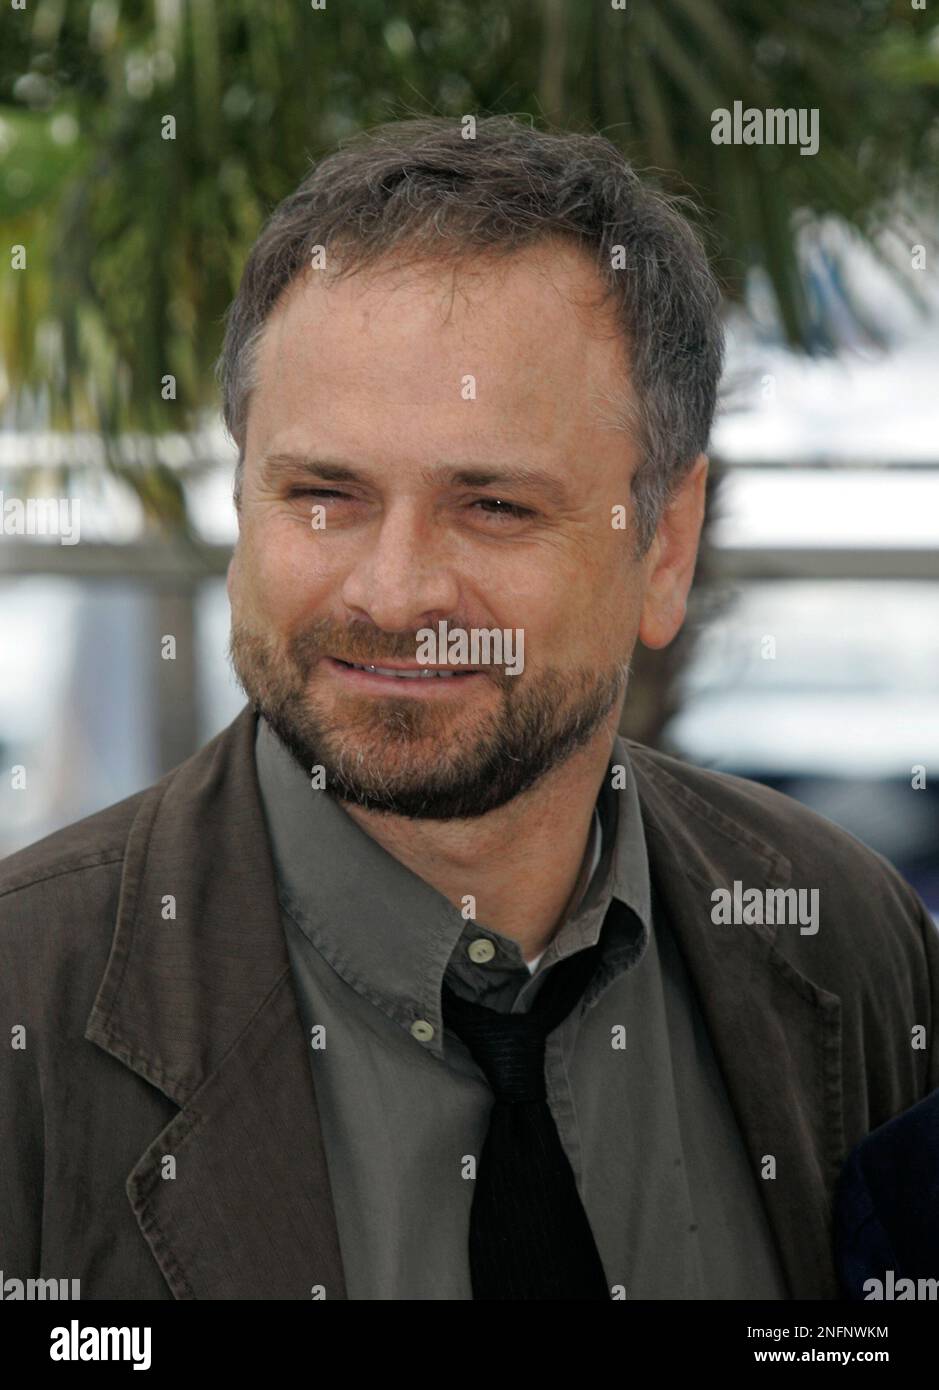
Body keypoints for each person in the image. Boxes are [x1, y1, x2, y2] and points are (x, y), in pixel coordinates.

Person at [2, 115, 937, 1301]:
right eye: (324, 494)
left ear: (666, 545)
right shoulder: (22, 1008)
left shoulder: (844, 942)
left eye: (492, 505)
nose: (395, 593)